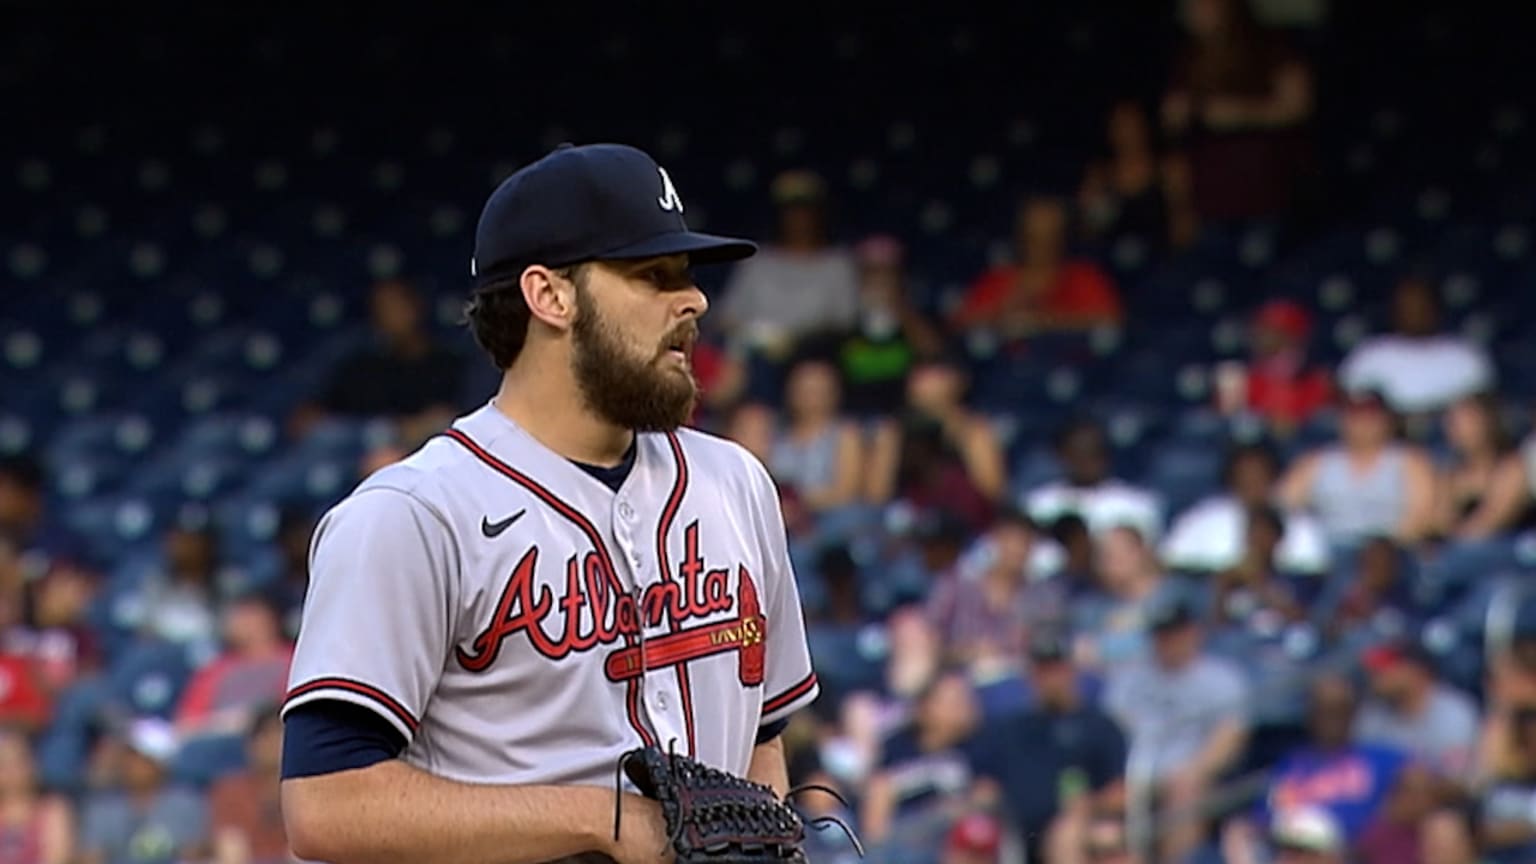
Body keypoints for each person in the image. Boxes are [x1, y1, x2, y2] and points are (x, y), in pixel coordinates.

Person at [278, 143, 822, 864]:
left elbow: (763, 738)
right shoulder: (412, 514)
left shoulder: (737, 485)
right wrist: (601, 818)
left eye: (686, 275)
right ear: (550, 296)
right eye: (652, 274)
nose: (693, 300)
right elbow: (326, 805)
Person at [1103, 593, 1250, 864]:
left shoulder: (1220, 678)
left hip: (1191, 774)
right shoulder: (1131, 677)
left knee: (1184, 789)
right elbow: (1110, 728)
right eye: (1160, 633)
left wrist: (1195, 770)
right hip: (1134, 770)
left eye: (1173, 632)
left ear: (1192, 632)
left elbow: (1231, 735)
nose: (1166, 641)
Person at [970, 629, 1126, 864]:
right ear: (1030, 677)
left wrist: (1086, 807)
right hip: (1014, 833)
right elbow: (985, 784)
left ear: (1071, 671)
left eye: (1056, 669)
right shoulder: (1010, 730)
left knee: (1068, 834)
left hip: (1083, 830)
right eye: (1043, 671)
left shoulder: (1099, 726)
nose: (1051, 679)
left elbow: (1120, 793)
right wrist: (985, 802)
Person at [1221, 675, 1408, 863]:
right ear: (1311, 714)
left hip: (1353, 851)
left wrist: (1379, 828)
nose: (1331, 719)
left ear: (1353, 714)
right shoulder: (1292, 763)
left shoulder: (1381, 758)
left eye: (1339, 710)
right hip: (1295, 845)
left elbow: (1424, 783)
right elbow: (1263, 819)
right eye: (1323, 710)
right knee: (1238, 830)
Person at [300, 279, 467, 445]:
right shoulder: (362, 367)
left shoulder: (448, 365)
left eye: (396, 307)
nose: (388, 317)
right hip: (353, 452)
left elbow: (449, 418)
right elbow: (315, 418)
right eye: (380, 309)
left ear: (416, 308)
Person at [1279, 389, 1437, 549]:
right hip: (1329, 550)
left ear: (1387, 420)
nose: (1362, 422)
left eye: (1370, 416)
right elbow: (1285, 505)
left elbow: (1421, 516)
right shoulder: (1316, 462)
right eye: (1355, 415)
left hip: (1388, 552)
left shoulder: (1409, 462)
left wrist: (1384, 547)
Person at [950, 196, 1123, 340]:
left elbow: (1110, 321)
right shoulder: (998, 279)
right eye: (1033, 236)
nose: (1041, 245)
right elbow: (959, 325)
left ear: (1063, 238)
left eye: (1050, 236)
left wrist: (1044, 321)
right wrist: (1000, 318)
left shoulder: (1084, 277)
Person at [1161, 442, 1330, 576]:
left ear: (1274, 479)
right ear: (1231, 480)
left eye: (1260, 477)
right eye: (1245, 478)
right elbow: (1171, 566)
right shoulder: (1202, 520)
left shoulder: (1301, 526)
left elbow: (1312, 576)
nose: (1253, 485)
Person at [1338, 274, 1496, 416]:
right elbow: (1350, 403)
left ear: (1435, 307)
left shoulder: (1465, 355)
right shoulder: (1371, 353)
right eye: (1407, 305)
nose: (1414, 312)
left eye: (1421, 304)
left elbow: (1482, 412)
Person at [1353, 640, 1480, 782]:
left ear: (1415, 671)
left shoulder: (1455, 713)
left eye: (1386, 667)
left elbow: (1458, 779)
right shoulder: (1372, 714)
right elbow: (1361, 775)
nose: (1376, 675)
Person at [1023, 418, 1162, 543]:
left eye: (1093, 453)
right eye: (1077, 454)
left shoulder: (1136, 504)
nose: (1085, 462)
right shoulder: (1039, 506)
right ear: (1062, 456)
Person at [1214, 299, 1333, 438]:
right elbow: (1225, 424)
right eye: (1261, 329)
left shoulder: (1318, 380)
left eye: (1273, 330)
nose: (1262, 336)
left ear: (1294, 336)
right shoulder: (1235, 376)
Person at [766, 357, 863, 514]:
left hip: (829, 519)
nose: (808, 397)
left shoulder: (845, 434)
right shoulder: (775, 433)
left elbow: (845, 493)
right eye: (802, 389)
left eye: (816, 390)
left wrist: (798, 503)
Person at [208, 708, 290, 864]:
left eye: (279, 734)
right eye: (265, 736)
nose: (273, 743)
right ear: (251, 745)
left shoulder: (308, 790)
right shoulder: (231, 790)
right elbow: (231, 850)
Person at [0, 727, 72, 864]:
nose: (11, 771)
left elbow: (57, 857)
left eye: (17, 762)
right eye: (3, 764)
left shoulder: (53, 810)